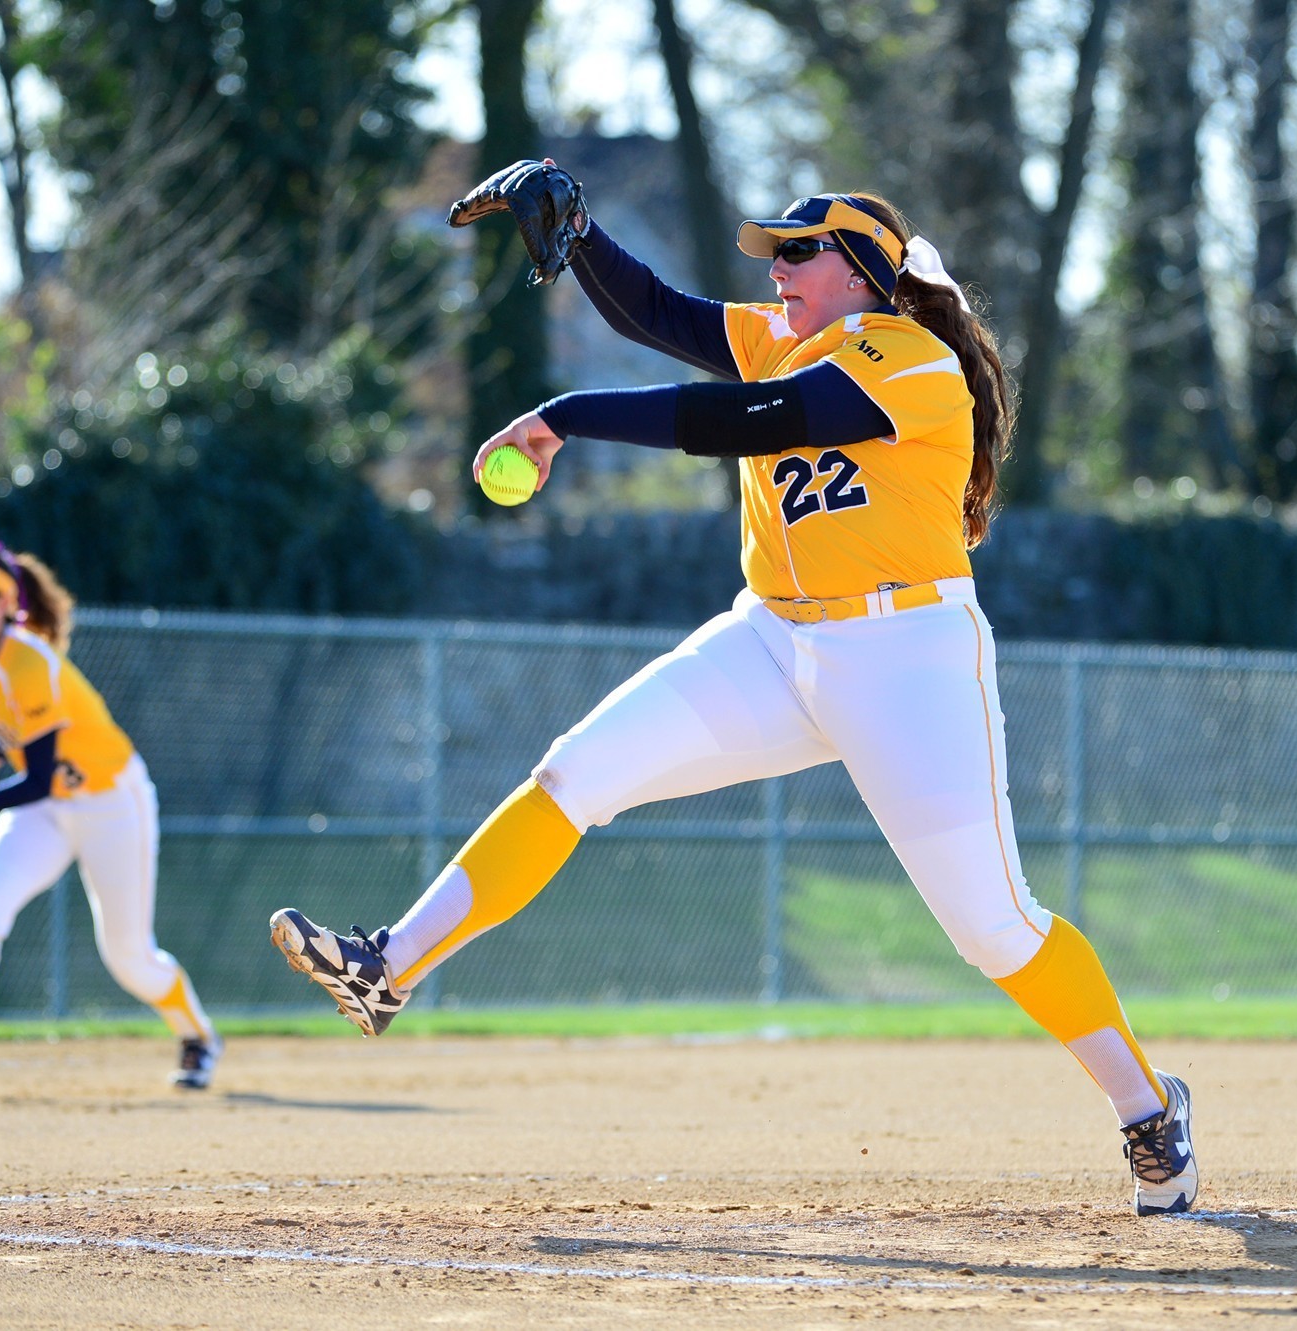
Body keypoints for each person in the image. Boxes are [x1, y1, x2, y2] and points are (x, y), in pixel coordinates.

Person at [270, 177, 1197, 1215]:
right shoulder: (782, 339)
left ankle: (1146, 1104)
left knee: (993, 928)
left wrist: (565, 414)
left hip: (904, 654)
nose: (776, 270)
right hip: (770, 638)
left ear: (862, 269)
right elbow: (655, 313)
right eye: (773, 253)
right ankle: (385, 964)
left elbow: (762, 420)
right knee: (575, 772)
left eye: (798, 254)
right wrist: (577, 233)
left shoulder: (908, 360)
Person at [0, 542, 221, 1096]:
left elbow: (35, 777)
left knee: (128, 956)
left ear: (3, 600)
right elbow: (26, 747)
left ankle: (200, 1034)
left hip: (110, 801)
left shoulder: (27, 658)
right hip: (48, 805)